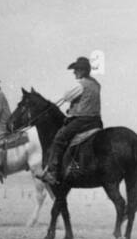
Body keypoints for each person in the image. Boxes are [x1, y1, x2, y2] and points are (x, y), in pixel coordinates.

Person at [39, 56, 102, 187]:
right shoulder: (96, 84)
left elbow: (66, 97)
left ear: (83, 71)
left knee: (59, 138)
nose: (74, 72)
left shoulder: (81, 85)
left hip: (81, 120)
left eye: (76, 70)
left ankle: (52, 172)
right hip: (96, 121)